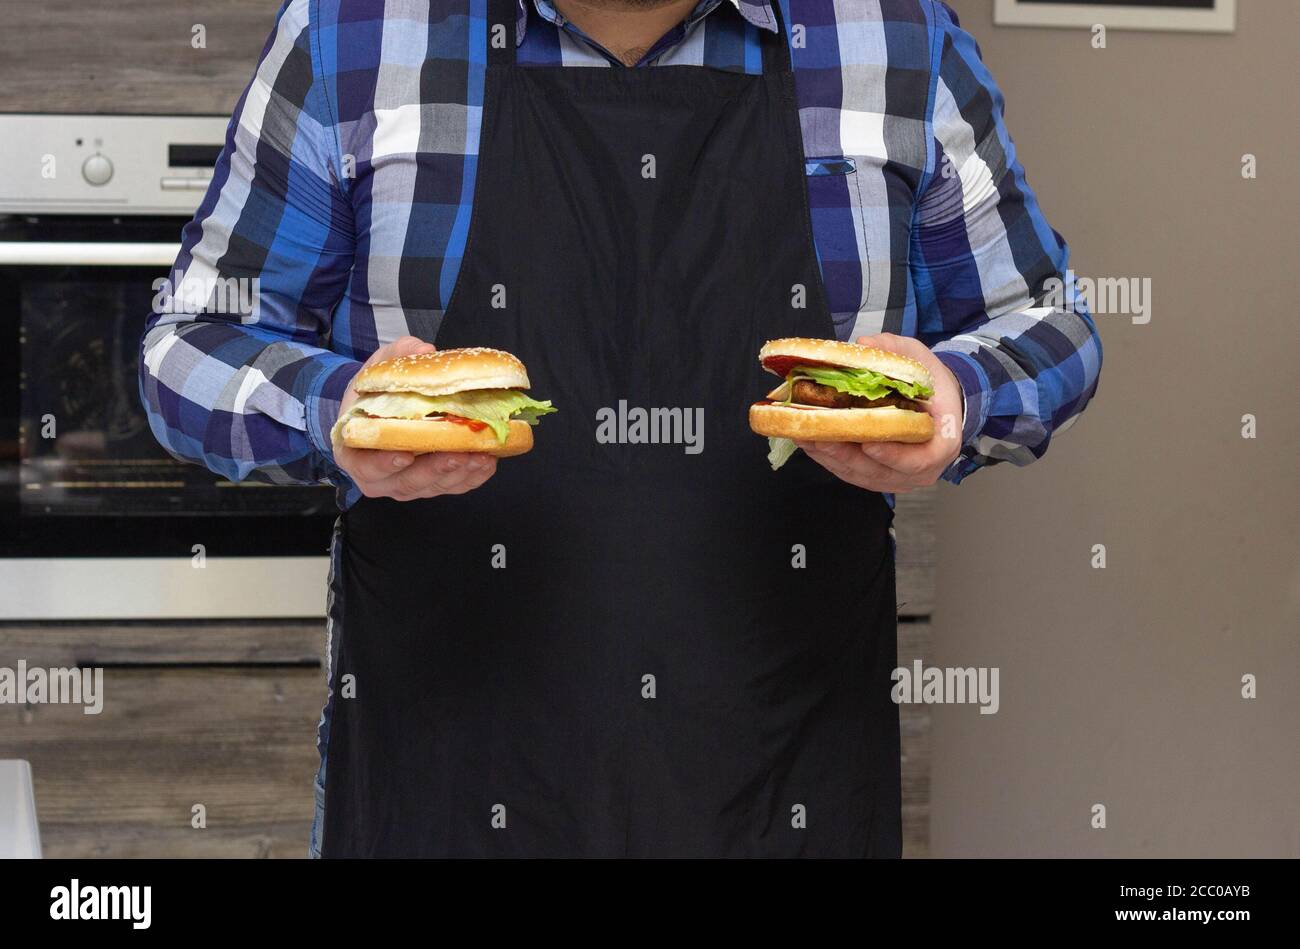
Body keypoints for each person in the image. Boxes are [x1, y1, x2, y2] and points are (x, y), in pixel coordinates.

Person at [140, 0, 1101, 857]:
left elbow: (1050, 321)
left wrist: (959, 393)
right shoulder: (354, 33)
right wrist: (335, 410)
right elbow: (188, 344)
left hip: (784, 768)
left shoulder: (897, 38)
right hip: (444, 771)